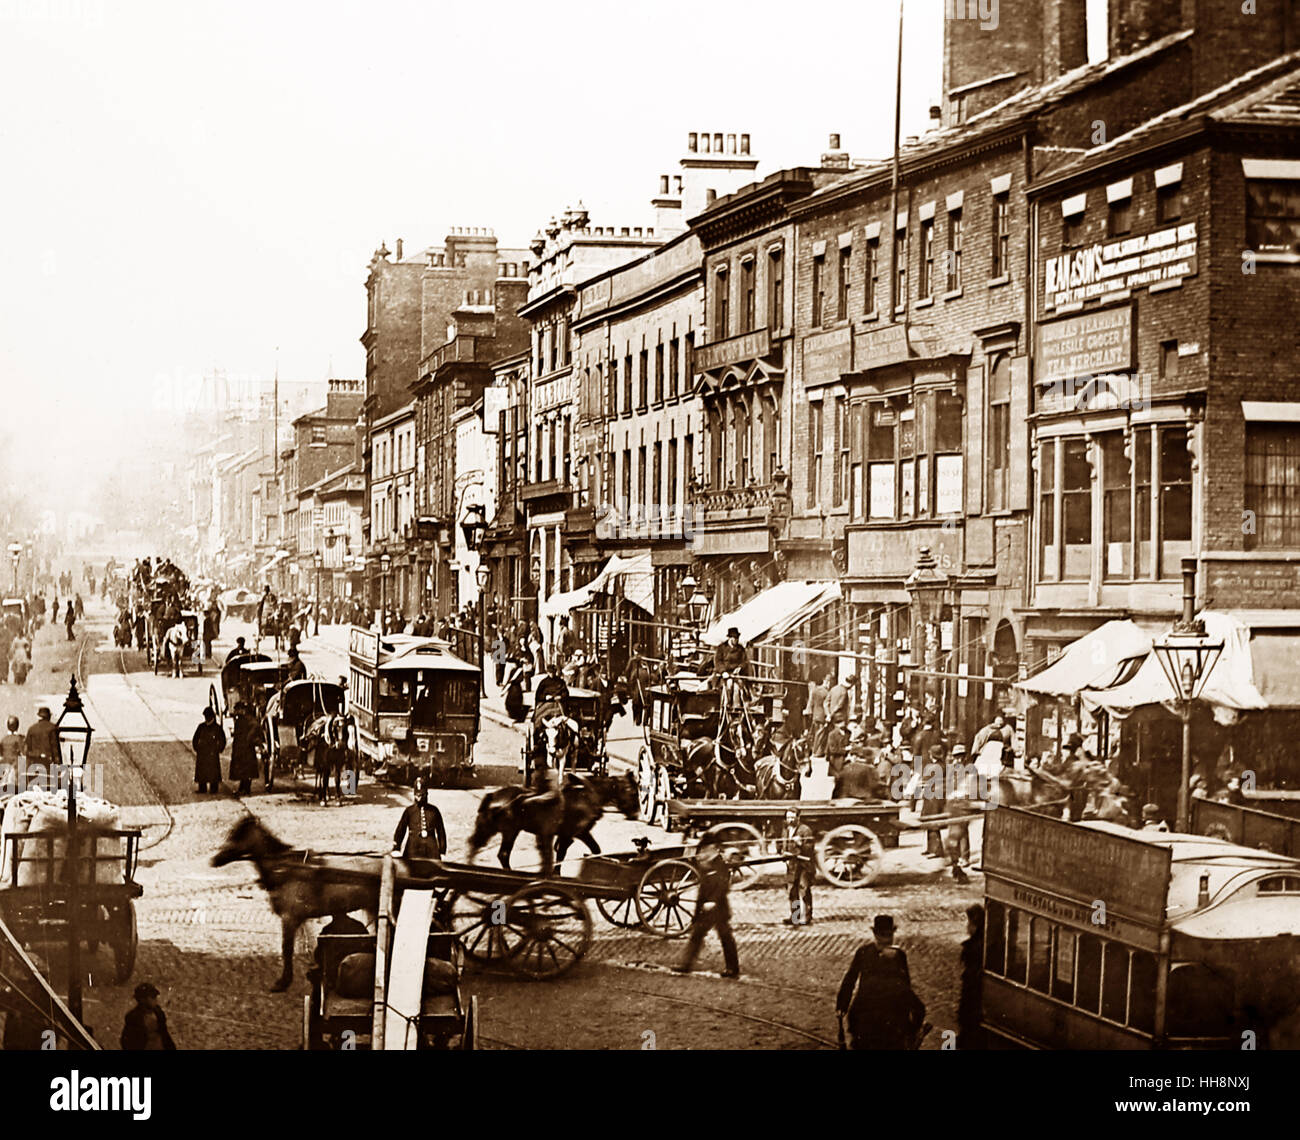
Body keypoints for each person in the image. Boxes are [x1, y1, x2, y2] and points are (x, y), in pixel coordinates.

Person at [836, 915, 927, 1050]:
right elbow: (850, 979)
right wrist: (842, 1004)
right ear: (875, 934)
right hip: (869, 1016)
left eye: (888, 935)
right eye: (883, 935)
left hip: (884, 1016)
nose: (886, 940)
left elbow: (905, 985)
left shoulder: (898, 956)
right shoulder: (864, 953)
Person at [674, 843, 740, 978]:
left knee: (725, 937)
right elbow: (702, 889)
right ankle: (685, 964)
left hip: (719, 909)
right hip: (706, 909)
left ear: (714, 849)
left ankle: (733, 968)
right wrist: (697, 911)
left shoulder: (720, 865)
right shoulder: (705, 864)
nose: (704, 852)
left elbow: (723, 886)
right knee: (697, 935)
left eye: (707, 849)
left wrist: (713, 901)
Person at [393, 776, 447, 861]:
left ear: (426, 794)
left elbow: (441, 832)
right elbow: (400, 829)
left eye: (422, 795)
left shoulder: (434, 811)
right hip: (413, 847)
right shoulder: (409, 811)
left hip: (431, 849)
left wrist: (442, 851)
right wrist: (396, 847)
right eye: (417, 795)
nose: (419, 798)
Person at [957, 903, 986, 1049]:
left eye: (969, 923)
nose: (967, 927)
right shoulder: (984, 943)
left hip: (973, 1005)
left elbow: (970, 981)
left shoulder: (974, 948)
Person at [782, 808, 816, 926]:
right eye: (788, 818)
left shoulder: (805, 830)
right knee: (792, 891)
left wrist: (800, 843)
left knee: (804, 890)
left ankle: (807, 917)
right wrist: (783, 855)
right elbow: (783, 845)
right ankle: (795, 917)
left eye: (792, 817)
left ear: (798, 818)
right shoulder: (786, 830)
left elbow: (810, 848)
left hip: (804, 866)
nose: (790, 820)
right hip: (791, 866)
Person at [120, 982, 176, 1050]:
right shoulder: (133, 1018)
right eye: (152, 997)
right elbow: (126, 1042)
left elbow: (164, 1034)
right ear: (142, 1000)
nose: (155, 1000)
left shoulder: (158, 1012)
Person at [192, 707, 226, 794]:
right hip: (203, 753)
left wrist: (219, 749)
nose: (206, 718)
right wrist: (197, 748)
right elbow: (195, 739)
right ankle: (202, 788)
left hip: (212, 753)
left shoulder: (217, 728)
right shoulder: (201, 727)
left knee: (213, 772)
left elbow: (222, 740)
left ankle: (213, 788)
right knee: (202, 772)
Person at [23, 707, 58, 785]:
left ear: (39, 716)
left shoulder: (31, 729)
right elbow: (56, 750)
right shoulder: (53, 728)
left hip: (34, 765)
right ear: (49, 716)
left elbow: (27, 750)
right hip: (48, 765)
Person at [230, 708, 261, 795]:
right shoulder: (241, 719)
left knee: (245, 769)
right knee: (244, 770)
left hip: (245, 748)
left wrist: (248, 739)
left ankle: (245, 789)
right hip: (242, 747)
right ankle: (243, 788)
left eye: (237, 710)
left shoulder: (247, 719)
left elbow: (255, 727)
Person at [806, 669, 831, 759]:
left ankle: (814, 750)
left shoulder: (815, 690)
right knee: (820, 734)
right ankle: (817, 751)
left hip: (815, 714)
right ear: (826, 681)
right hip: (822, 715)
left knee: (816, 733)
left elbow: (811, 703)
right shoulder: (826, 692)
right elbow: (826, 705)